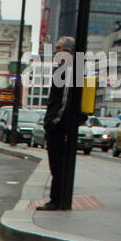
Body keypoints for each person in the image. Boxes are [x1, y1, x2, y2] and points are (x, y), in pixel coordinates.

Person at [36, 36, 75, 211]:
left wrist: (53, 122)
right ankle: (59, 199)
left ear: (67, 52)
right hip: (59, 125)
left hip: (59, 127)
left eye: (58, 48)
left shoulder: (67, 70)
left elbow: (65, 101)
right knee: (58, 166)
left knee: (58, 165)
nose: (54, 51)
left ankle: (57, 200)